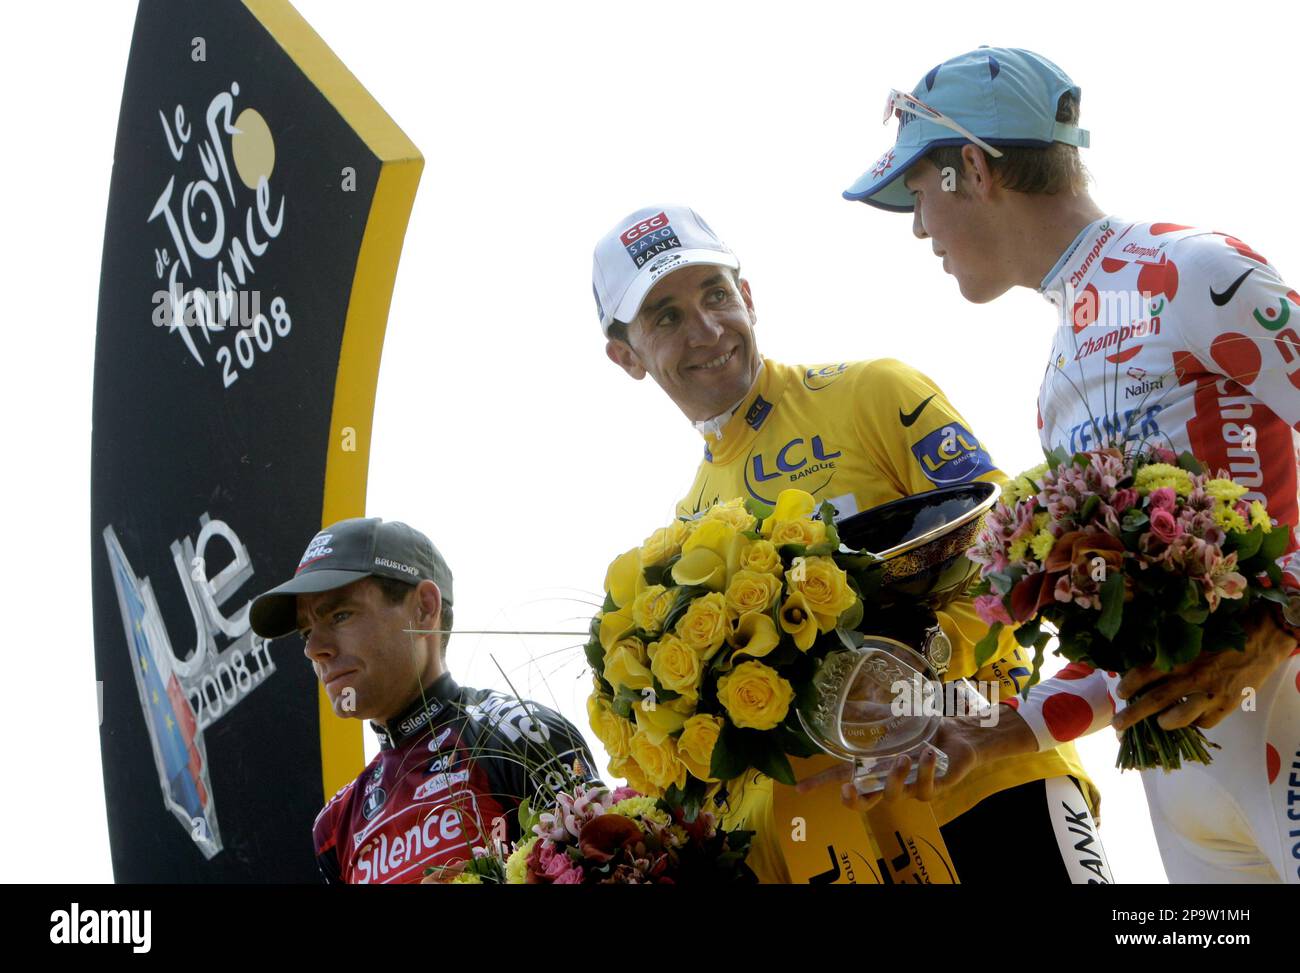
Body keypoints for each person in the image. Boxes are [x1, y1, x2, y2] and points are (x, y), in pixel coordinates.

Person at [836, 46, 1300, 883]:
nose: (916, 227)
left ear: (972, 169)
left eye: (917, 193)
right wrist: (995, 734)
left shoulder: (1188, 270)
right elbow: (1126, 656)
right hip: (1179, 785)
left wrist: (1281, 620)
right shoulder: (1056, 380)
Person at [591, 204, 1112, 883]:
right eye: (666, 315)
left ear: (748, 296)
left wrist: (905, 679)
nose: (707, 328)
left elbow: (1017, 548)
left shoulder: (874, 392)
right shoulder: (685, 537)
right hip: (864, 844)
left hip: (1001, 777)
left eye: (715, 293)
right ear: (626, 356)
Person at [249, 517, 596, 884]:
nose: (314, 649)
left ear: (424, 608)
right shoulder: (334, 825)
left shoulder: (519, 732)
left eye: (340, 615)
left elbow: (622, 864)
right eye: (306, 632)